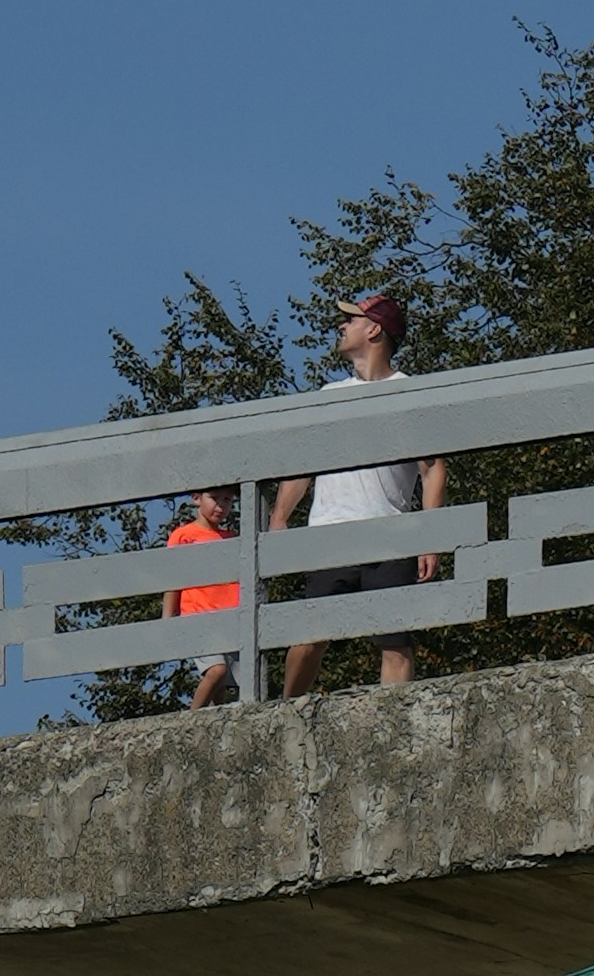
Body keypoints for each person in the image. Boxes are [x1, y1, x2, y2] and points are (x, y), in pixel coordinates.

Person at [270, 286, 448, 693]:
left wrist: (430, 538)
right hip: (330, 535)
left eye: (350, 319)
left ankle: (394, 716)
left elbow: (433, 468)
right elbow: (303, 465)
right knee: (308, 636)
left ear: (375, 331)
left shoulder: (409, 393)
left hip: (390, 535)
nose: (341, 325)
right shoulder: (328, 397)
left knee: (395, 641)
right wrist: (279, 518)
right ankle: (285, 717)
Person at [156, 487, 243, 710]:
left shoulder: (231, 539)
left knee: (223, 682)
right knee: (216, 671)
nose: (221, 506)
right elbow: (173, 578)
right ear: (197, 498)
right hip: (199, 616)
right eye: (214, 498)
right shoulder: (184, 535)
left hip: (229, 617)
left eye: (227, 500)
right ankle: (192, 719)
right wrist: (168, 618)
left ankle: (213, 722)